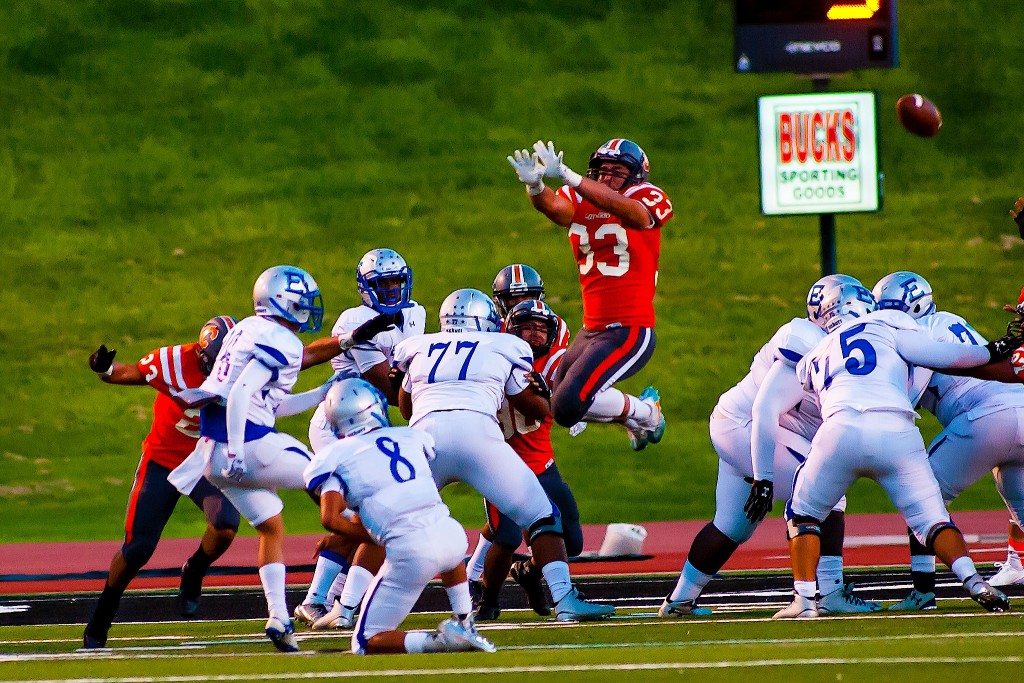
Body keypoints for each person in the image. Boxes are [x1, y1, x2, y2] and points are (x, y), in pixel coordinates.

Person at [168, 264, 395, 651]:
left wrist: (323, 391)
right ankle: (373, 537)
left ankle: (278, 617)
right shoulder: (278, 338)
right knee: (336, 477)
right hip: (247, 445)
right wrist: (241, 450)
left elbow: (270, 405)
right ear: (281, 300)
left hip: (212, 455)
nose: (308, 307)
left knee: (271, 526)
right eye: (301, 300)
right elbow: (241, 393)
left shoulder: (246, 331)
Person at [777, 282, 1017, 618]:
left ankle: (804, 600)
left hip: (840, 428)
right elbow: (948, 357)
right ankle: (973, 580)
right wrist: (998, 348)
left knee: (803, 514)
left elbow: (808, 386)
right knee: (933, 521)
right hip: (896, 428)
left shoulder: (814, 354)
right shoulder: (889, 327)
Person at [659, 275, 881, 618]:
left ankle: (678, 602)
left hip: (746, 428)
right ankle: (829, 592)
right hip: (747, 427)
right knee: (828, 487)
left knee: (733, 525)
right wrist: (764, 478)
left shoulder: (835, 346)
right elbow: (765, 410)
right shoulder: (808, 342)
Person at [392, 288, 614, 621]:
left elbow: (406, 407)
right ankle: (565, 600)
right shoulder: (503, 346)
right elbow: (534, 410)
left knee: (391, 519)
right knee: (541, 515)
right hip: (478, 437)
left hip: (424, 439)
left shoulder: (421, 347)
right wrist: (546, 398)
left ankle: (345, 601)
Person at [304, 378, 496, 655]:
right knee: (445, 546)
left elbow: (329, 519)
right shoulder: (410, 437)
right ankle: (465, 621)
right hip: (451, 534)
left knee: (364, 642)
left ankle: (441, 642)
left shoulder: (335, 455)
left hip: (411, 550)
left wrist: (362, 536)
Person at [82, 317, 242, 649]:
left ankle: (194, 569)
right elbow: (131, 373)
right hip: (163, 460)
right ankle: (101, 618)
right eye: (216, 362)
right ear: (201, 353)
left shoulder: (247, 367)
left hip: (205, 461)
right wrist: (104, 369)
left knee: (225, 525)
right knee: (137, 549)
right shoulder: (171, 362)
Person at [870, 271, 1024, 609]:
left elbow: (906, 394)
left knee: (921, 495)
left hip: (985, 418)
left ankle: (923, 591)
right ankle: (1016, 567)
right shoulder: (949, 321)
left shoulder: (917, 335)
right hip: (1021, 406)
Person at [508, 138, 671, 451]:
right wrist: (536, 186)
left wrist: (570, 176)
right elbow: (555, 208)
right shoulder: (579, 196)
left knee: (568, 407)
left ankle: (648, 414)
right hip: (592, 328)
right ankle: (637, 415)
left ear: (636, 174)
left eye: (616, 170)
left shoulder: (646, 195)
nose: (607, 176)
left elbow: (635, 215)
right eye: (602, 169)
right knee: (555, 400)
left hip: (628, 330)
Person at [294, 248, 425, 630]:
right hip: (340, 422)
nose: (389, 290)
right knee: (366, 513)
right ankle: (319, 599)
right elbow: (387, 384)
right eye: (380, 284)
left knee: (370, 513)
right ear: (365, 288)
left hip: (373, 423)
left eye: (394, 282)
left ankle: (329, 597)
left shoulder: (415, 314)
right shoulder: (357, 320)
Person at [467, 299, 584, 621]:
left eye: (540, 329)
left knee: (572, 542)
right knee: (504, 536)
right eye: (526, 328)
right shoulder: (492, 360)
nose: (533, 335)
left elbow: (587, 395)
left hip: (543, 466)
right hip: (500, 467)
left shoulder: (556, 364)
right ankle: (487, 599)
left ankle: (530, 571)